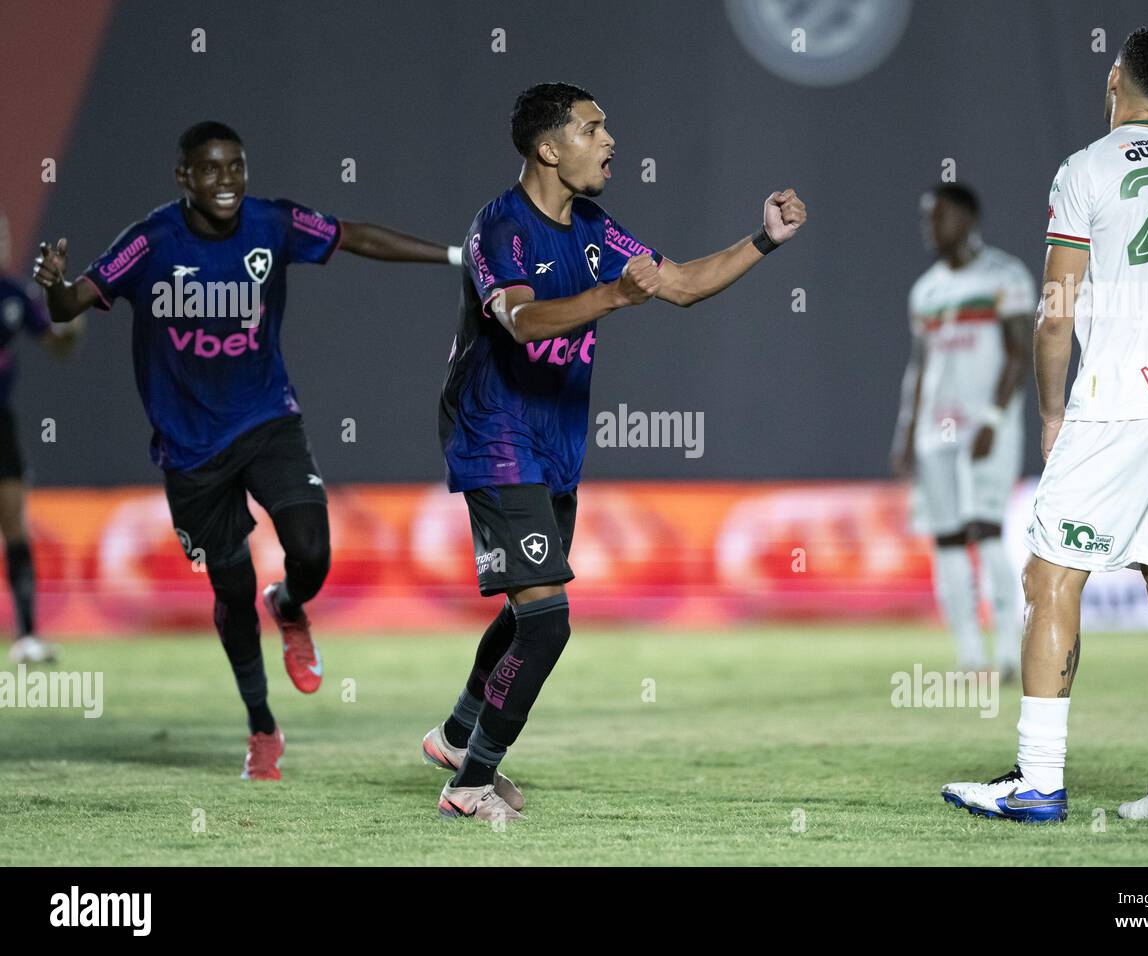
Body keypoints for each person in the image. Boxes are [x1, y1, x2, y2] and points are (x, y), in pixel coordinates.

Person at [32, 121, 461, 780]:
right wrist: (54, 287)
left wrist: (456, 258)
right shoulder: (149, 242)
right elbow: (70, 305)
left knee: (313, 551)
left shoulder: (274, 223)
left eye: (236, 167)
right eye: (211, 169)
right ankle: (262, 727)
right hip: (189, 449)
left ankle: (288, 604)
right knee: (229, 591)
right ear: (184, 179)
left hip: (266, 420)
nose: (226, 181)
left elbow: (355, 237)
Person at [425, 82, 806, 821]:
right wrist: (612, 298)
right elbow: (522, 322)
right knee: (547, 619)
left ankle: (456, 733)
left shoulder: (596, 227)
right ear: (548, 147)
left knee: (524, 605)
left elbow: (685, 284)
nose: (610, 141)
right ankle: (470, 782)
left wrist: (763, 240)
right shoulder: (497, 229)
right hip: (492, 431)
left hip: (555, 441)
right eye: (594, 128)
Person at [941, 27, 1148, 822]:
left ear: (1115, 79)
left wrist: (1051, 412)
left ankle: (1038, 780)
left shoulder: (1087, 168)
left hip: (1118, 400)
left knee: (1050, 578)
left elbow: (1056, 312)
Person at [892, 184, 1035, 678]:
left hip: (984, 428)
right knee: (948, 538)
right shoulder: (925, 290)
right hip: (936, 431)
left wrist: (994, 418)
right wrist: (906, 431)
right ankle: (971, 658)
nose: (931, 228)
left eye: (941, 217)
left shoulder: (1004, 275)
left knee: (986, 531)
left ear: (969, 218)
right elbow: (919, 367)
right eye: (926, 218)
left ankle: (1010, 655)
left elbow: (1021, 353)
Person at [0, 210, 83, 664]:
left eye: (4, 231)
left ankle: (27, 636)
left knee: (13, 520)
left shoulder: (15, 296)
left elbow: (57, 344)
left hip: (0, 423)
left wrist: (70, 323)